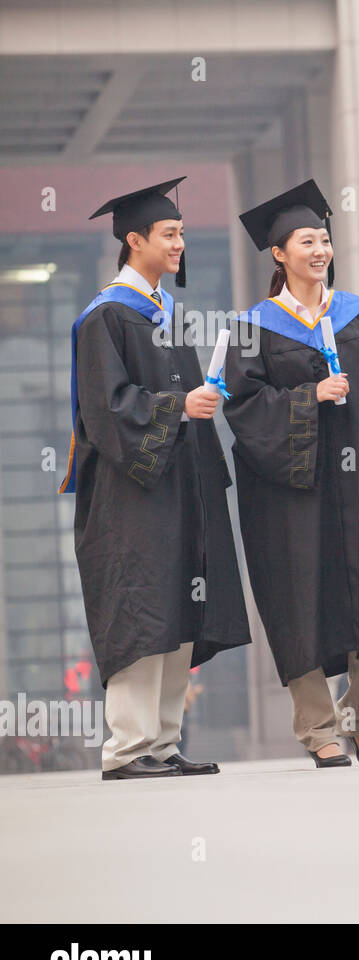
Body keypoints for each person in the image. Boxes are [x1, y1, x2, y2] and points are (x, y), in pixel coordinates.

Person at [225, 179, 359, 767]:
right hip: (291, 491)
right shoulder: (252, 326)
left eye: (324, 239)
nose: (319, 250)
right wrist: (309, 395)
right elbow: (241, 407)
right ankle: (319, 730)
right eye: (306, 241)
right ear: (279, 253)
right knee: (298, 599)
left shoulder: (357, 314)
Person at [61, 178, 250, 780]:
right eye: (169, 234)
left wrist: (197, 404)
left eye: (182, 233)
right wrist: (177, 407)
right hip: (130, 493)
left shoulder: (165, 312)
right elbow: (107, 411)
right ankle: (127, 749)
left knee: (176, 609)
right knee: (141, 610)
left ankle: (163, 744)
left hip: (177, 484)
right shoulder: (106, 318)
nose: (179, 244)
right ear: (134, 239)